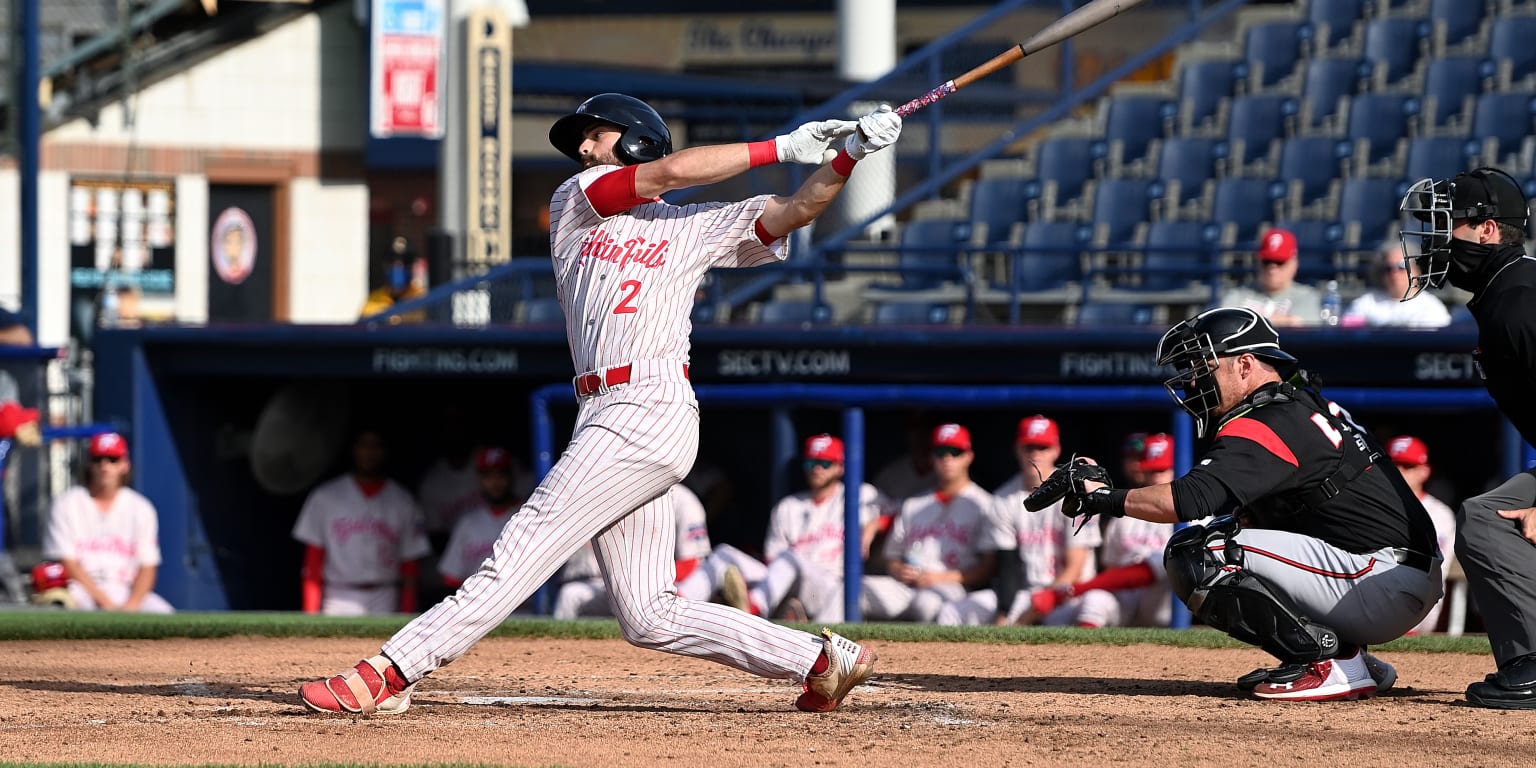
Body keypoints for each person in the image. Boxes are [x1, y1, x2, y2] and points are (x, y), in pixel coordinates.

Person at [299, 93, 900, 715]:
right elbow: (666, 175)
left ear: (638, 137)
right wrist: (780, 147)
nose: (582, 148)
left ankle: (389, 671)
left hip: (649, 403)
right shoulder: (577, 203)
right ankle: (820, 659)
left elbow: (797, 208)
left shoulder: (691, 226)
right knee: (648, 615)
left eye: (596, 134)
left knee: (523, 546)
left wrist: (849, 157)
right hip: (607, 407)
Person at [1037, 307, 1441, 701]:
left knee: (1199, 554)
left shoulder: (1269, 418)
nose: (1193, 384)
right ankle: (1354, 661)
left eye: (1203, 368)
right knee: (1237, 526)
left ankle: (1328, 662)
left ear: (1245, 364)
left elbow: (1188, 499)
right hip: (1393, 575)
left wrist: (1103, 498)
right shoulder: (1298, 402)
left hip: (1381, 578)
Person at [1398, 167, 1536, 708]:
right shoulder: (1508, 290)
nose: (1437, 239)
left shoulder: (1519, 299)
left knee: (1486, 519)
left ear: (1487, 231)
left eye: (1448, 224)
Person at [674, 434, 890, 623]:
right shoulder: (788, 506)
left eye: (824, 463)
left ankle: (753, 608)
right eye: (811, 463)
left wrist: (874, 525)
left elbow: (900, 512)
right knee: (723, 554)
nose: (816, 469)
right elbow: (773, 562)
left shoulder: (861, 494)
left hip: (830, 586)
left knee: (790, 557)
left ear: (840, 467)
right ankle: (677, 605)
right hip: (785, 584)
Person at [935, 414, 1102, 626]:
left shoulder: (1076, 492)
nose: (1035, 454)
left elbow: (1075, 568)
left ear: (1056, 450)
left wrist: (1040, 605)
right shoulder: (1003, 499)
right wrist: (1006, 611)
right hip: (1025, 595)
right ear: (1017, 449)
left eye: (1042, 447)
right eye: (1029, 447)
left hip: (1068, 595)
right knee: (952, 611)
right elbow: (1007, 565)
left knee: (1097, 602)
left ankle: (1088, 659)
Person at [1017, 432, 1181, 628]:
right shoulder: (1128, 515)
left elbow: (1144, 573)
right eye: (1150, 470)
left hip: (1167, 607)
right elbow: (1111, 569)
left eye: (1162, 470)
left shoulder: (1196, 518)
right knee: (1096, 600)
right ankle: (1083, 658)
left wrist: (1066, 592)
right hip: (1128, 605)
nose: (1155, 478)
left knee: (1163, 568)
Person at [862, 423, 999, 623]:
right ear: (932, 457)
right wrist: (898, 569)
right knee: (854, 588)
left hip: (953, 587)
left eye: (955, 452)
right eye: (941, 452)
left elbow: (989, 568)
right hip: (906, 587)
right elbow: (892, 557)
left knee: (927, 604)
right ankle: (825, 649)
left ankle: (924, 656)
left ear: (968, 456)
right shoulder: (914, 504)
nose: (947, 459)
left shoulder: (984, 504)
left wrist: (940, 578)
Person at [291, 428, 431, 616]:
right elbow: (313, 561)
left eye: (376, 446)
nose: (369, 452)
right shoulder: (325, 496)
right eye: (364, 445)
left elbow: (410, 566)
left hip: (386, 593)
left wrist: (407, 613)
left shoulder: (403, 500)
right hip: (338, 595)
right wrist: (310, 612)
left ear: (385, 451)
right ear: (353, 449)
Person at [40, 432, 173, 613]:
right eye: (98, 459)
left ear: (125, 465)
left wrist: (131, 606)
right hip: (80, 589)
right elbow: (67, 562)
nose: (104, 466)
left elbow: (148, 567)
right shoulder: (67, 504)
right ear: (89, 464)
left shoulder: (141, 508)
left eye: (112, 459)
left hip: (124, 590)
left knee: (164, 613)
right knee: (64, 604)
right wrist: (106, 604)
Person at [555, 483, 711, 619]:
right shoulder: (625, 492)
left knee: (719, 560)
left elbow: (690, 562)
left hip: (673, 584)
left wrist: (646, 581)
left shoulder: (684, 501)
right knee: (570, 594)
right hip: (617, 583)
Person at [1385, 435, 1457, 635]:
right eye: (1394, 465)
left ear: (1424, 471)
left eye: (1407, 466)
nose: (1399, 472)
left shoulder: (1438, 513)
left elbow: (1428, 567)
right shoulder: (1372, 505)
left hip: (1418, 607)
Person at [437, 447, 526, 589]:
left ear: (511, 476)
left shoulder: (527, 515)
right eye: (488, 476)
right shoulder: (467, 523)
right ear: (480, 479)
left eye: (500, 475)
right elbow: (451, 578)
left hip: (524, 608)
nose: (495, 482)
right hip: (479, 607)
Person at [1216, 227, 1322, 327]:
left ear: (1293, 264)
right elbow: (1222, 324)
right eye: (1267, 261)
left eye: (1279, 262)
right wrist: (1282, 321)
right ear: (1258, 262)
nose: (1272, 268)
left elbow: (1298, 325)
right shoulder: (1238, 294)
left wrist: (1243, 324)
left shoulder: (1307, 296)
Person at [1341, 238, 1451, 329]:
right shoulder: (1365, 304)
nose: (1394, 273)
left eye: (1402, 267)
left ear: (1417, 270)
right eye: (1388, 268)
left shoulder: (1431, 308)